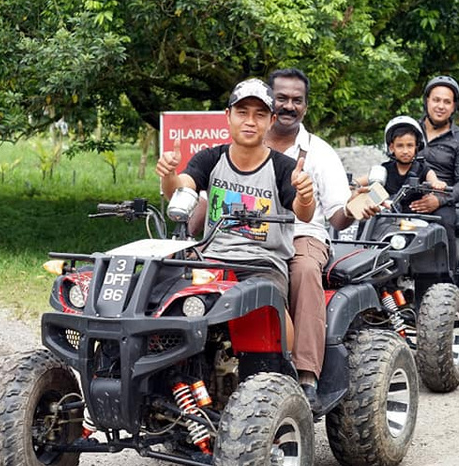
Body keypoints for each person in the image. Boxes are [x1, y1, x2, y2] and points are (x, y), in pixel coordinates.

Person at [155, 77, 315, 358]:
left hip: (262, 263)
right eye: (242, 113)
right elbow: (181, 190)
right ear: (228, 116)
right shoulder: (210, 159)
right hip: (212, 258)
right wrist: (169, 174)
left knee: (269, 306)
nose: (250, 121)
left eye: (260, 114)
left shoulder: (283, 167)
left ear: (271, 120)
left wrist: (305, 195)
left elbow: (304, 212)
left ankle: (282, 369)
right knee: (159, 290)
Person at [263, 68, 376, 410]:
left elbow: (337, 216)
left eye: (297, 100)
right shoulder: (250, 142)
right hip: (247, 236)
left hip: (302, 235)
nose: (288, 106)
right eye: (281, 98)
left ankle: (306, 373)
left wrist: (354, 209)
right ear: (269, 102)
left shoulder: (319, 152)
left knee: (305, 272)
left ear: (305, 107)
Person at [413, 75, 459, 260]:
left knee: (444, 225)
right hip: (406, 194)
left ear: (453, 106)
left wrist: (439, 200)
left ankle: (449, 281)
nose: (441, 106)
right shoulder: (410, 130)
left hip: (442, 202)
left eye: (447, 102)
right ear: (427, 101)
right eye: (436, 100)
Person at [355, 115, 447, 208]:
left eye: (410, 145)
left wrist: (438, 184)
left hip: (415, 219)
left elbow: (434, 180)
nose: (405, 151)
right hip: (387, 216)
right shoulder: (384, 170)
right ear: (392, 147)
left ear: (416, 147)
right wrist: (352, 184)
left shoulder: (423, 170)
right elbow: (360, 181)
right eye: (400, 146)